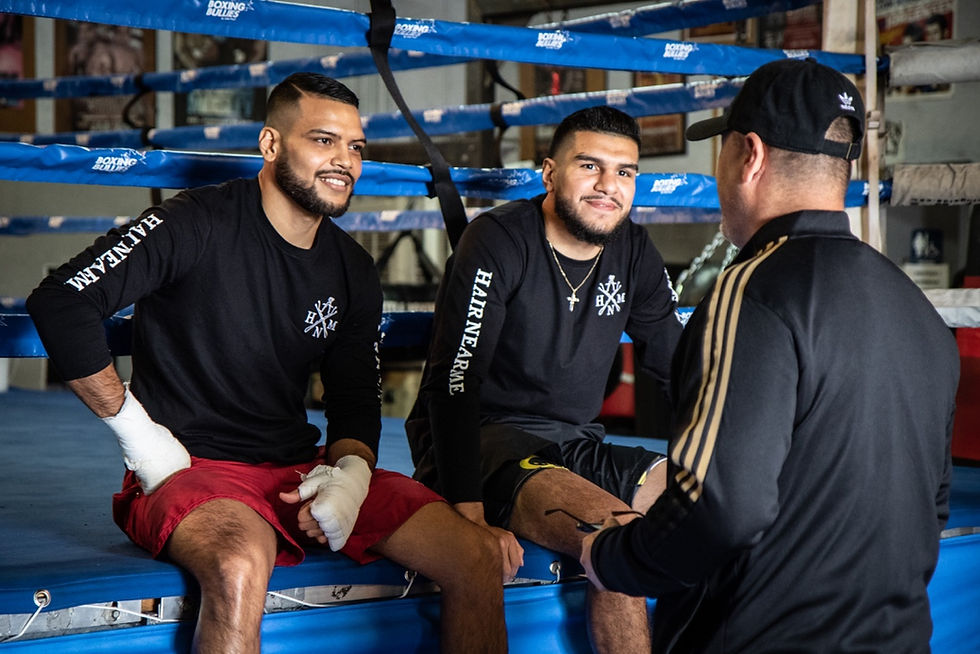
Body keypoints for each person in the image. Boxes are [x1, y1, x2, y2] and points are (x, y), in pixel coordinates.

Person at [27, 72, 506, 654]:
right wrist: (141, 439)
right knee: (236, 566)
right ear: (271, 144)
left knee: (476, 555)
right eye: (323, 140)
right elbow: (61, 300)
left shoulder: (352, 268)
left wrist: (350, 478)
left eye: (355, 146)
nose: (345, 160)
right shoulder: (194, 221)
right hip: (188, 469)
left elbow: (355, 396)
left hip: (295, 471)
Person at [580, 58, 960, 652]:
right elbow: (929, 513)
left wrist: (611, 557)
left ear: (748, 155)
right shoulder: (917, 309)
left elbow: (718, 509)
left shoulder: (752, 291)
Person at [406, 105, 685, 653]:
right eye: (590, 167)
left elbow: (676, 366)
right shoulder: (498, 240)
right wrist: (468, 516)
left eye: (625, 172)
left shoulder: (632, 248)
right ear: (550, 172)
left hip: (576, 443)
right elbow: (454, 383)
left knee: (720, 511)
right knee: (620, 540)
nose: (609, 186)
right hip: (488, 443)